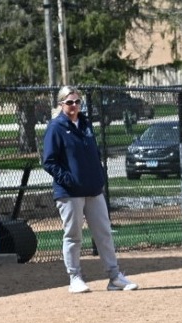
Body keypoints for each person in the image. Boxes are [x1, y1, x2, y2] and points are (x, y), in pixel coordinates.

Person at [42, 86, 139, 293]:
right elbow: (49, 162)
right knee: (73, 235)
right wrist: (68, 179)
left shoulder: (85, 123)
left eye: (77, 102)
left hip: (93, 189)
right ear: (61, 105)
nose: (74, 106)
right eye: (69, 102)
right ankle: (75, 277)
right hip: (70, 193)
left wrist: (98, 176)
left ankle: (115, 277)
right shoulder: (56, 127)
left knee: (103, 233)